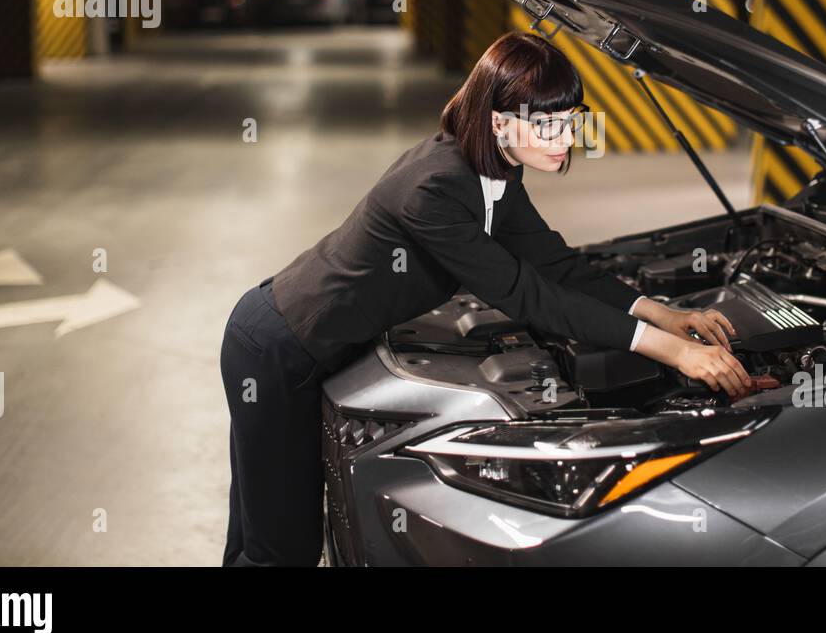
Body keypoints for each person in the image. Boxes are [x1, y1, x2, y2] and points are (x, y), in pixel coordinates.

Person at [220, 31, 750, 565]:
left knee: (258, 534)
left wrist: (662, 314)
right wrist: (670, 352)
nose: (564, 137)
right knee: (280, 547)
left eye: (571, 120)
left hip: (299, 343)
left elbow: (555, 264)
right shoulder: (435, 187)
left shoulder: (493, 169)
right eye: (546, 123)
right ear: (498, 121)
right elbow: (526, 294)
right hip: (278, 349)